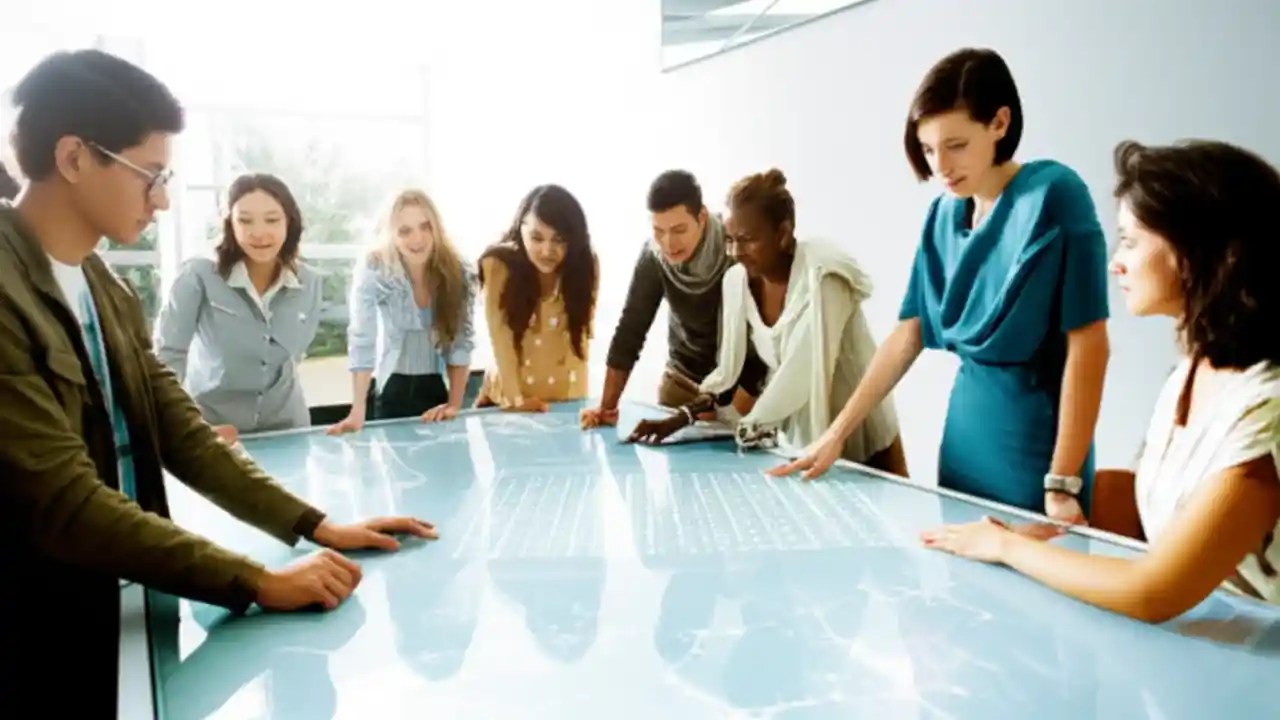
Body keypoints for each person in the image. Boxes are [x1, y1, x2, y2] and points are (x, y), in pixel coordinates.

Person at [0, 49, 435, 714]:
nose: (164, 197)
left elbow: (182, 430)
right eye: (149, 174)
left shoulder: (100, 283)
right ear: (75, 158)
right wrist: (256, 580)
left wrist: (318, 526)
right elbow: (63, 501)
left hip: (123, 603)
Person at [921, 139, 1280, 620]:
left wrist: (1007, 546)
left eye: (1131, 241)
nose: (1116, 261)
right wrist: (1052, 510)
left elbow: (1154, 593)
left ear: (1207, 254)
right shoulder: (1191, 375)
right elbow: (1164, 507)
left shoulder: (1265, 410)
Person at [772, 48, 1110, 524]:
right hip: (965, 438)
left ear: (999, 123)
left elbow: (1090, 346)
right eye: (929, 149)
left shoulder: (1055, 195)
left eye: (955, 144)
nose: (941, 166)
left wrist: (1062, 480)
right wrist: (836, 435)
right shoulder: (945, 214)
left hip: (1038, 444)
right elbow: (907, 334)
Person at [627, 169, 907, 475]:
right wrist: (681, 418)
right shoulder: (736, 281)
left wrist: (746, 428)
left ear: (783, 233)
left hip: (860, 430)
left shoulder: (824, 275)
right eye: (730, 239)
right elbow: (726, 373)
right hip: (806, 438)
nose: (735, 252)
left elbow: (799, 374)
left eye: (747, 240)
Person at [580, 170, 764, 429]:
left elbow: (761, 342)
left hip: (741, 393)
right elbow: (631, 330)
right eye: (658, 230)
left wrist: (728, 411)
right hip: (680, 385)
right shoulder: (654, 257)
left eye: (678, 230)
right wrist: (607, 407)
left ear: (701, 217)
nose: (668, 243)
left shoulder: (734, 250)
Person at [155, 173, 321, 441]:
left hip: (288, 427)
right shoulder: (198, 275)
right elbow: (168, 356)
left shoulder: (309, 282)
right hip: (214, 429)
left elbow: (295, 355)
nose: (259, 232)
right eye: (244, 220)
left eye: (272, 219)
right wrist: (180, 423)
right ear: (229, 223)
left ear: (289, 222)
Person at [327, 189, 475, 434]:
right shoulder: (375, 268)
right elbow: (363, 338)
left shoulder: (457, 271)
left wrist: (454, 404)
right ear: (391, 235)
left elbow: (461, 341)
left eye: (425, 226)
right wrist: (357, 412)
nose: (417, 239)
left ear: (437, 228)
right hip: (392, 387)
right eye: (405, 231)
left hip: (437, 389)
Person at [474, 184, 598, 412]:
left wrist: (581, 406)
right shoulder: (498, 266)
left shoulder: (585, 267)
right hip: (506, 402)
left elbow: (579, 343)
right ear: (520, 229)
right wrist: (516, 401)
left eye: (559, 240)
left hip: (561, 402)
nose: (547, 250)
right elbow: (501, 342)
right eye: (537, 238)